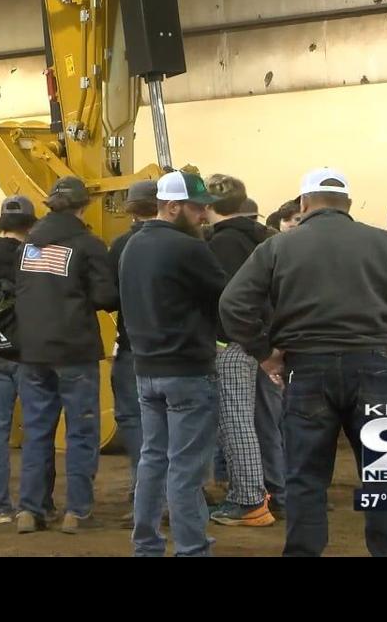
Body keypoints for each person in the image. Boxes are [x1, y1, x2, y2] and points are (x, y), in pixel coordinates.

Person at [220, 167, 387, 557]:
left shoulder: (277, 247)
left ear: (304, 204)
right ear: (347, 205)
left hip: (305, 370)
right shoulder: (386, 243)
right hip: (380, 368)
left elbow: (232, 304)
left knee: (306, 480)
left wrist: (265, 354)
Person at [120, 169, 228, 556]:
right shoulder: (189, 249)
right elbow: (227, 297)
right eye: (197, 208)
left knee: (152, 460)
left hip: (146, 370)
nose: (203, 216)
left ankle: (146, 545)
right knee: (185, 469)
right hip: (187, 371)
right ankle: (192, 548)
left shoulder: (133, 245)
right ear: (172, 206)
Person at [13, 176, 118, 535]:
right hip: (74, 350)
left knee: (38, 431)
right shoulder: (88, 245)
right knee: (81, 432)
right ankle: (77, 511)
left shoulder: (29, 245)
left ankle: (30, 510)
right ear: (82, 206)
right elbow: (106, 297)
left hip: (33, 351)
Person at [0, 195, 56, 525]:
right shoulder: (36, 255)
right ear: (32, 223)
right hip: (30, 353)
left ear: (1, 223)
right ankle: (36, 505)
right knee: (37, 429)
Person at [203, 173, 277, 527]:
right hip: (260, 341)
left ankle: (248, 500)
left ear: (209, 204)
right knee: (260, 420)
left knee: (236, 422)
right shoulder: (262, 239)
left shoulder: (224, 244)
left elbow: (230, 300)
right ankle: (260, 493)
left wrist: (235, 339)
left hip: (234, 343)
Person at [108, 179, 158, 527]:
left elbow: (108, 295)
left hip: (131, 345)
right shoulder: (191, 242)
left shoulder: (122, 244)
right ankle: (179, 493)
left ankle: (143, 491)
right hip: (180, 351)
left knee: (134, 419)